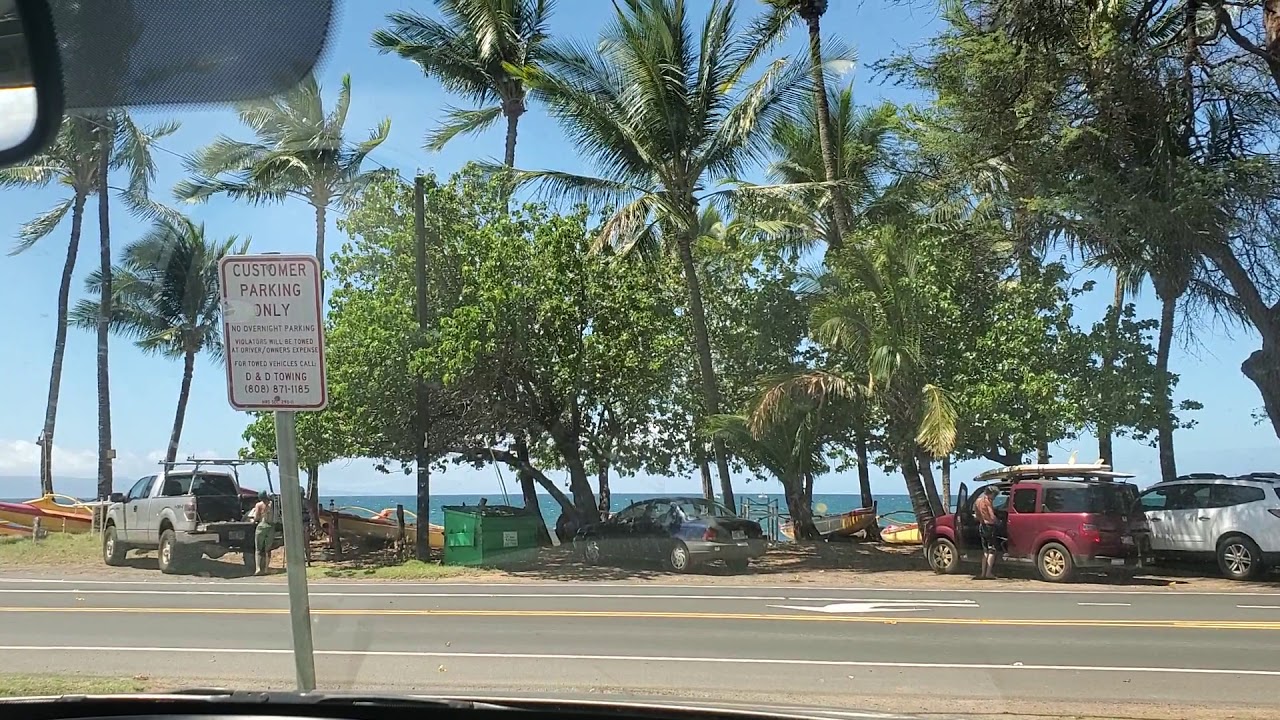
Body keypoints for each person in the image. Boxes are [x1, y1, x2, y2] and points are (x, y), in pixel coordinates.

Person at [974, 485, 999, 580]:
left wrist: (982, 520)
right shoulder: (987, 502)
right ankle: (989, 573)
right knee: (992, 550)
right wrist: (998, 522)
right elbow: (992, 516)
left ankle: (983, 573)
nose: (995, 497)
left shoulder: (978, 501)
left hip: (982, 525)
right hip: (989, 526)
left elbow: (977, 515)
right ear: (991, 494)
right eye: (994, 495)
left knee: (985, 551)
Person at [249, 490, 273, 576]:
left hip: (261, 526)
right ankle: (266, 568)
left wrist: (252, 520)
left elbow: (256, 517)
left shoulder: (258, 505)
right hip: (270, 527)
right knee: (268, 549)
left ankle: (258, 568)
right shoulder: (272, 504)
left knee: (258, 549)